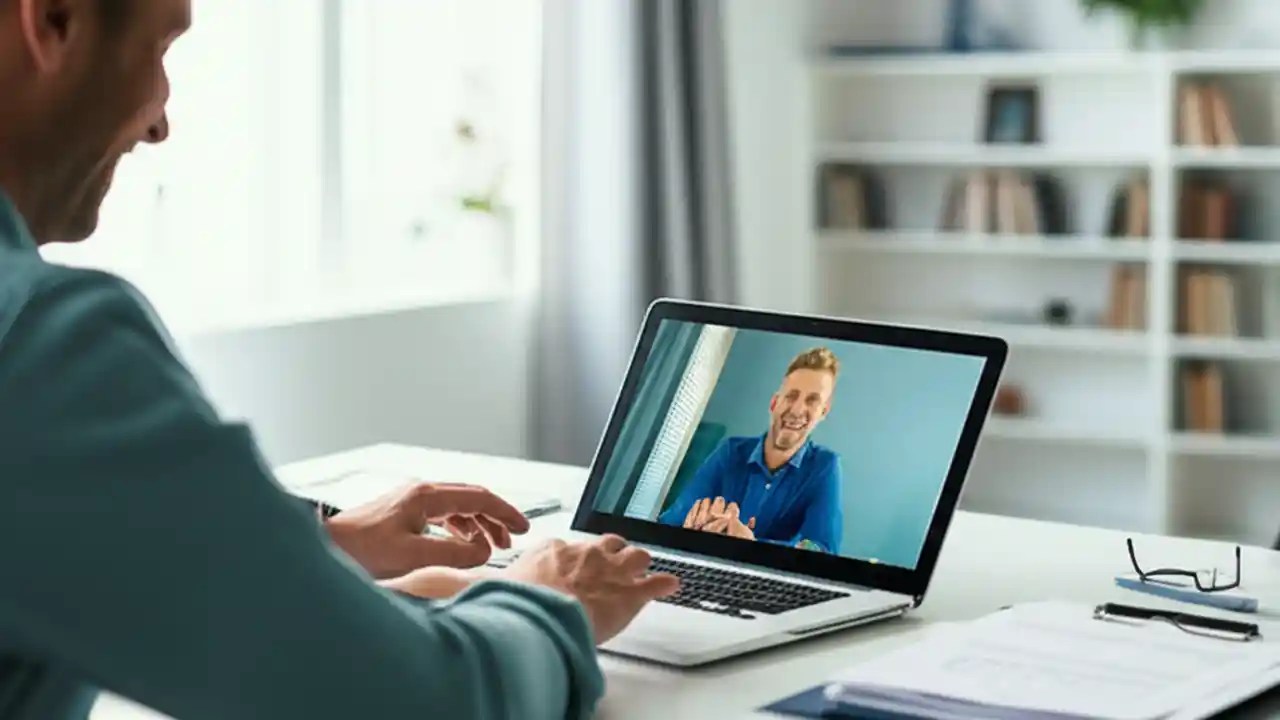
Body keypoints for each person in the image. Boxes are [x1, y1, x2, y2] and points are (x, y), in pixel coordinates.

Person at [0, 1, 678, 718]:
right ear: (53, 20)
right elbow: (427, 705)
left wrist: (315, 546)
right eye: (161, 47)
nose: (160, 121)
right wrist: (548, 602)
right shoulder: (39, 343)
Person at [658, 347, 844, 554]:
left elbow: (822, 550)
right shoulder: (730, 452)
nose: (798, 410)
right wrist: (697, 523)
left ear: (823, 412)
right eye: (791, 396)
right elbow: (673, 519)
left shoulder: (825, 467)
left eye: (812, 401)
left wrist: (751, 544)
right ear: (774, 403)